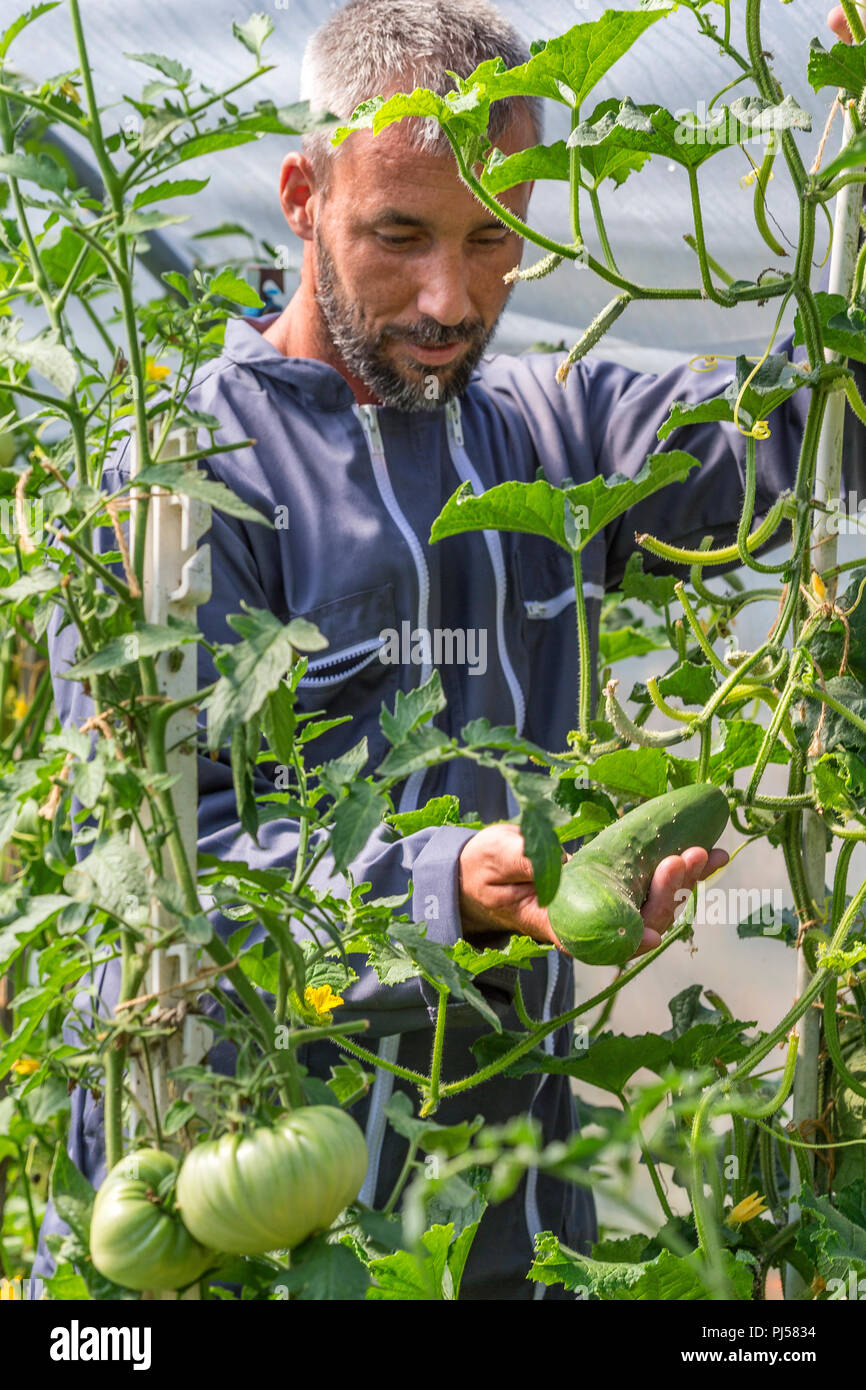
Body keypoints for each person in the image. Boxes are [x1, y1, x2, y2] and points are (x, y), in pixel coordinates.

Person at [39, 0, 864, 1300]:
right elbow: (137, 882)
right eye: (400, 236)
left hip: (513, 1203)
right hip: (252, 1201)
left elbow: (801, 431)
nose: (451, 297)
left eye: (495, 241)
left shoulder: (553, 419)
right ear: (302, 195)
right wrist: (441, 884)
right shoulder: (177, 478)